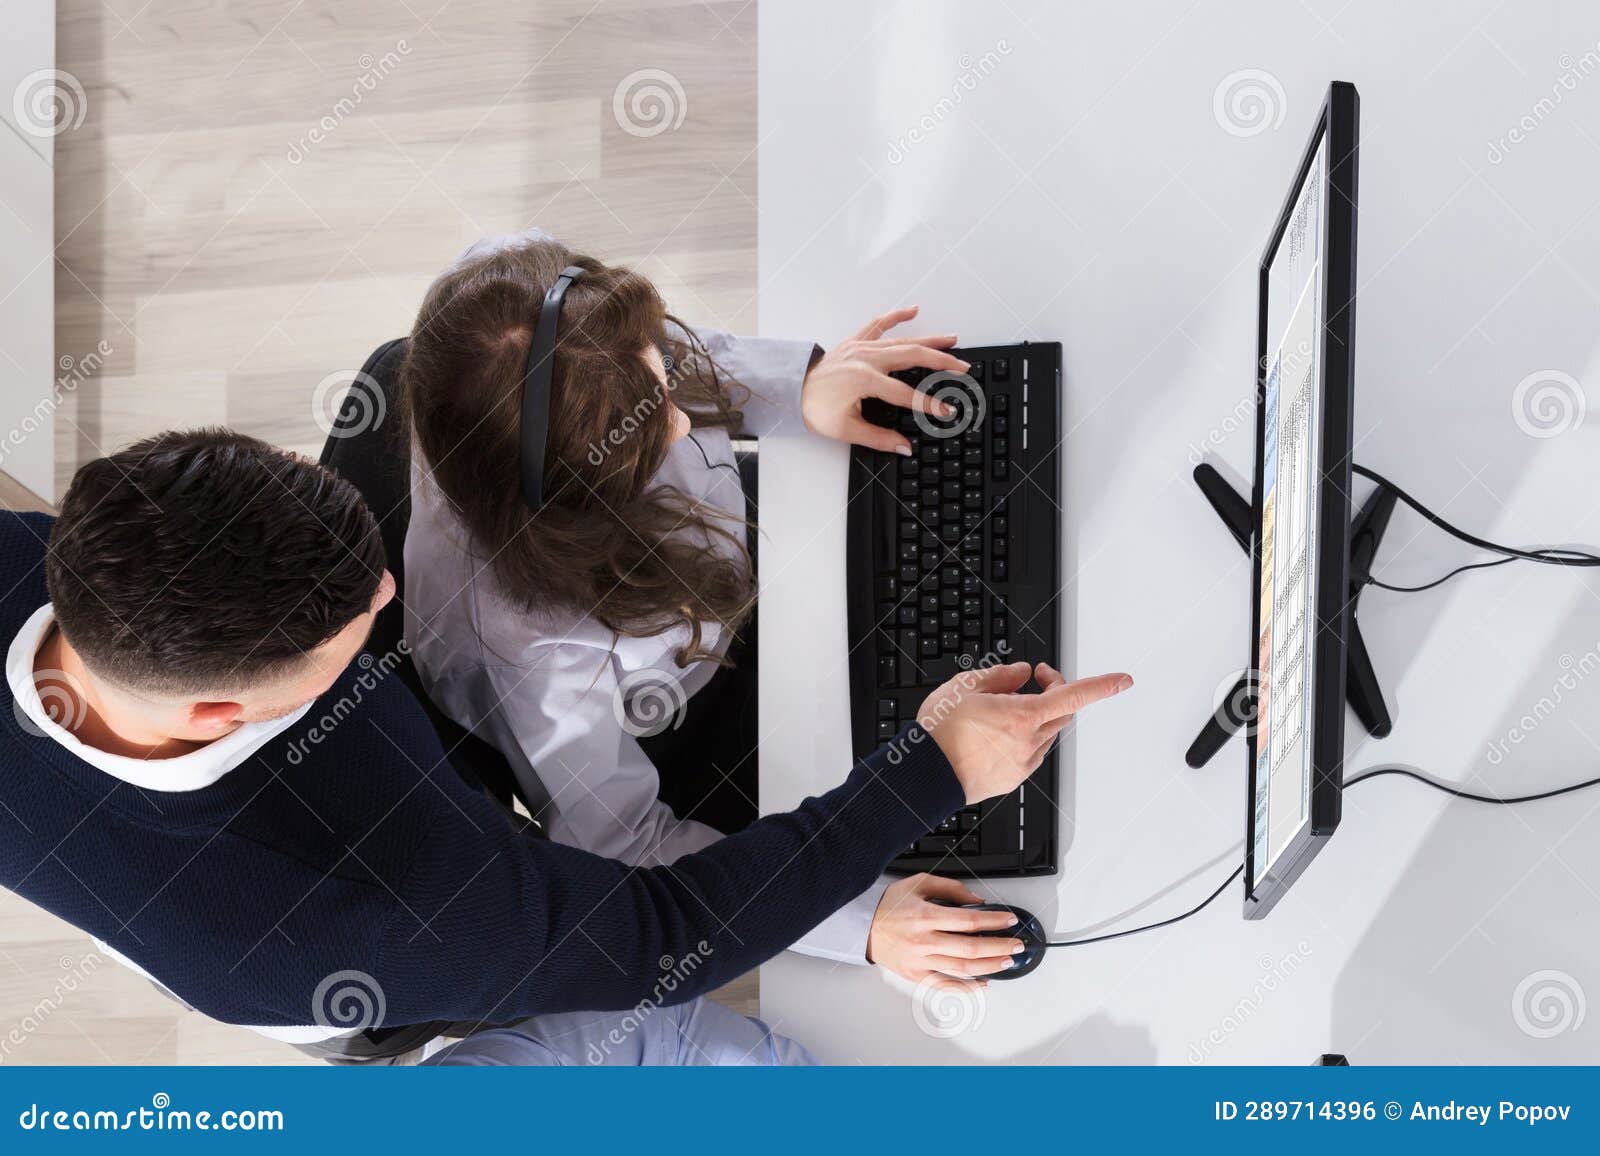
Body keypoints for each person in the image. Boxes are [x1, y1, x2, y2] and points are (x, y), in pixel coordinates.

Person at [0, 428, 1132, 1061]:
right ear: (218, 713)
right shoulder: (344, 917)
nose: (389, 590)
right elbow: (656, 936)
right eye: (354, 628)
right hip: (391, 973)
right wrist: (928, 768)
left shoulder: (51, 555)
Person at [402, 229, 1048, 984]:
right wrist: (860, 920)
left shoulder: (508, 296)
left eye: (664, 375)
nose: (685, 421)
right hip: (669, 726)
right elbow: (626, 848)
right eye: (649, 433)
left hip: (720, 582)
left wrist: (794, 386)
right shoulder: (524, 646)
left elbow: (629, 348)